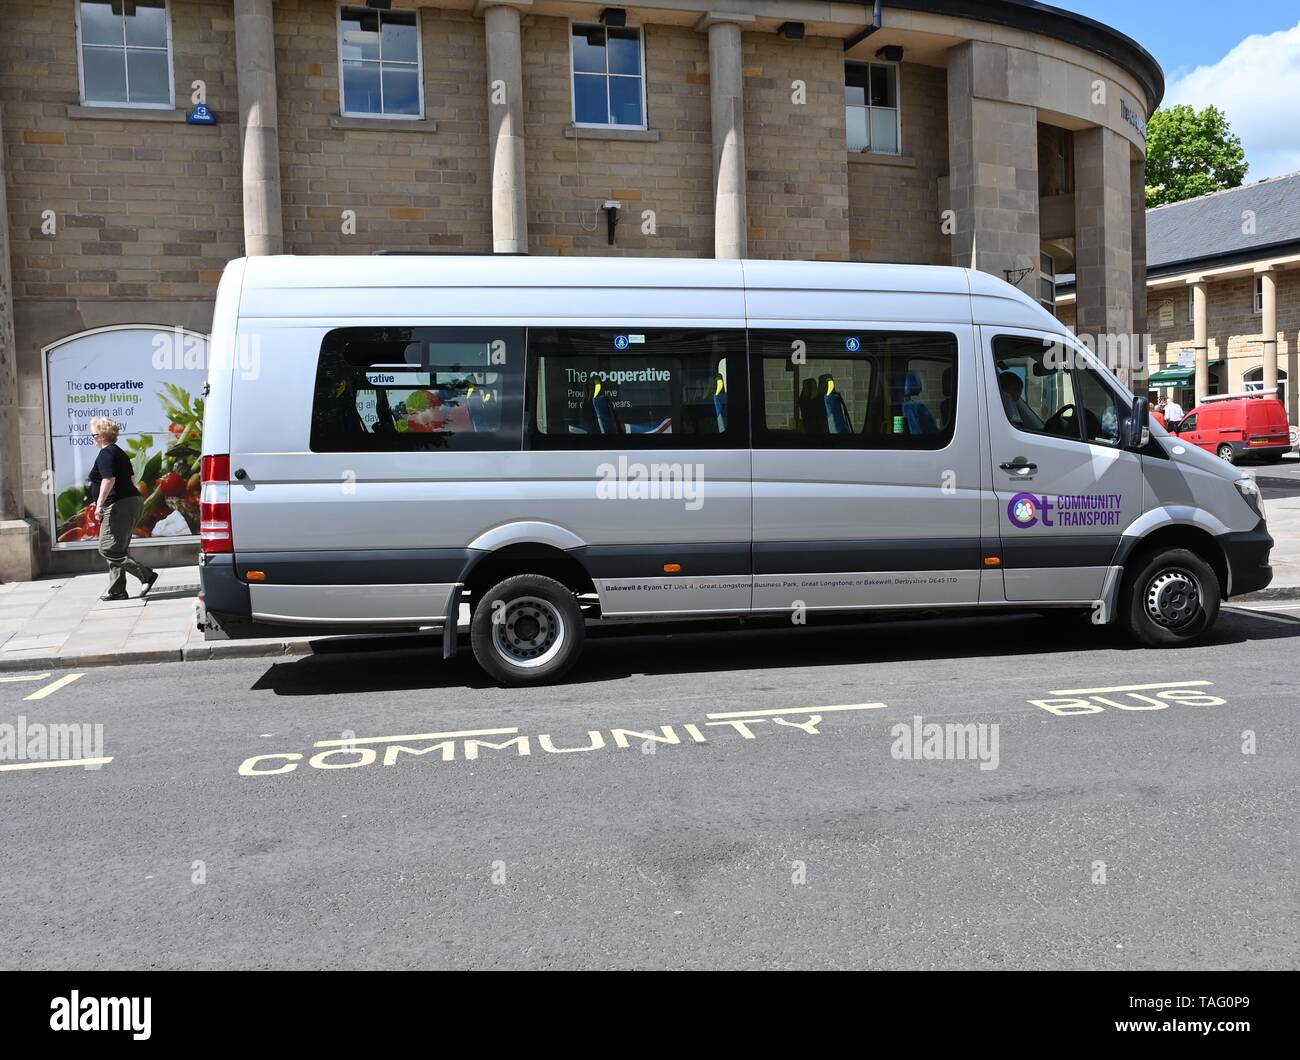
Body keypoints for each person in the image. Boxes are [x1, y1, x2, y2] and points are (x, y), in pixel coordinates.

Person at [88, 417, 158, 602]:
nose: (92, 439)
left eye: (93, 435)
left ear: (102, 436)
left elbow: (108, 479)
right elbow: (132, 478)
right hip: (130, 502)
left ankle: (146, 575)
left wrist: (100, 505)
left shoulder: (106, 454)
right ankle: (117, 590)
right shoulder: (119, 453)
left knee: (107, 548)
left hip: (118, 505)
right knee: (118, 548)